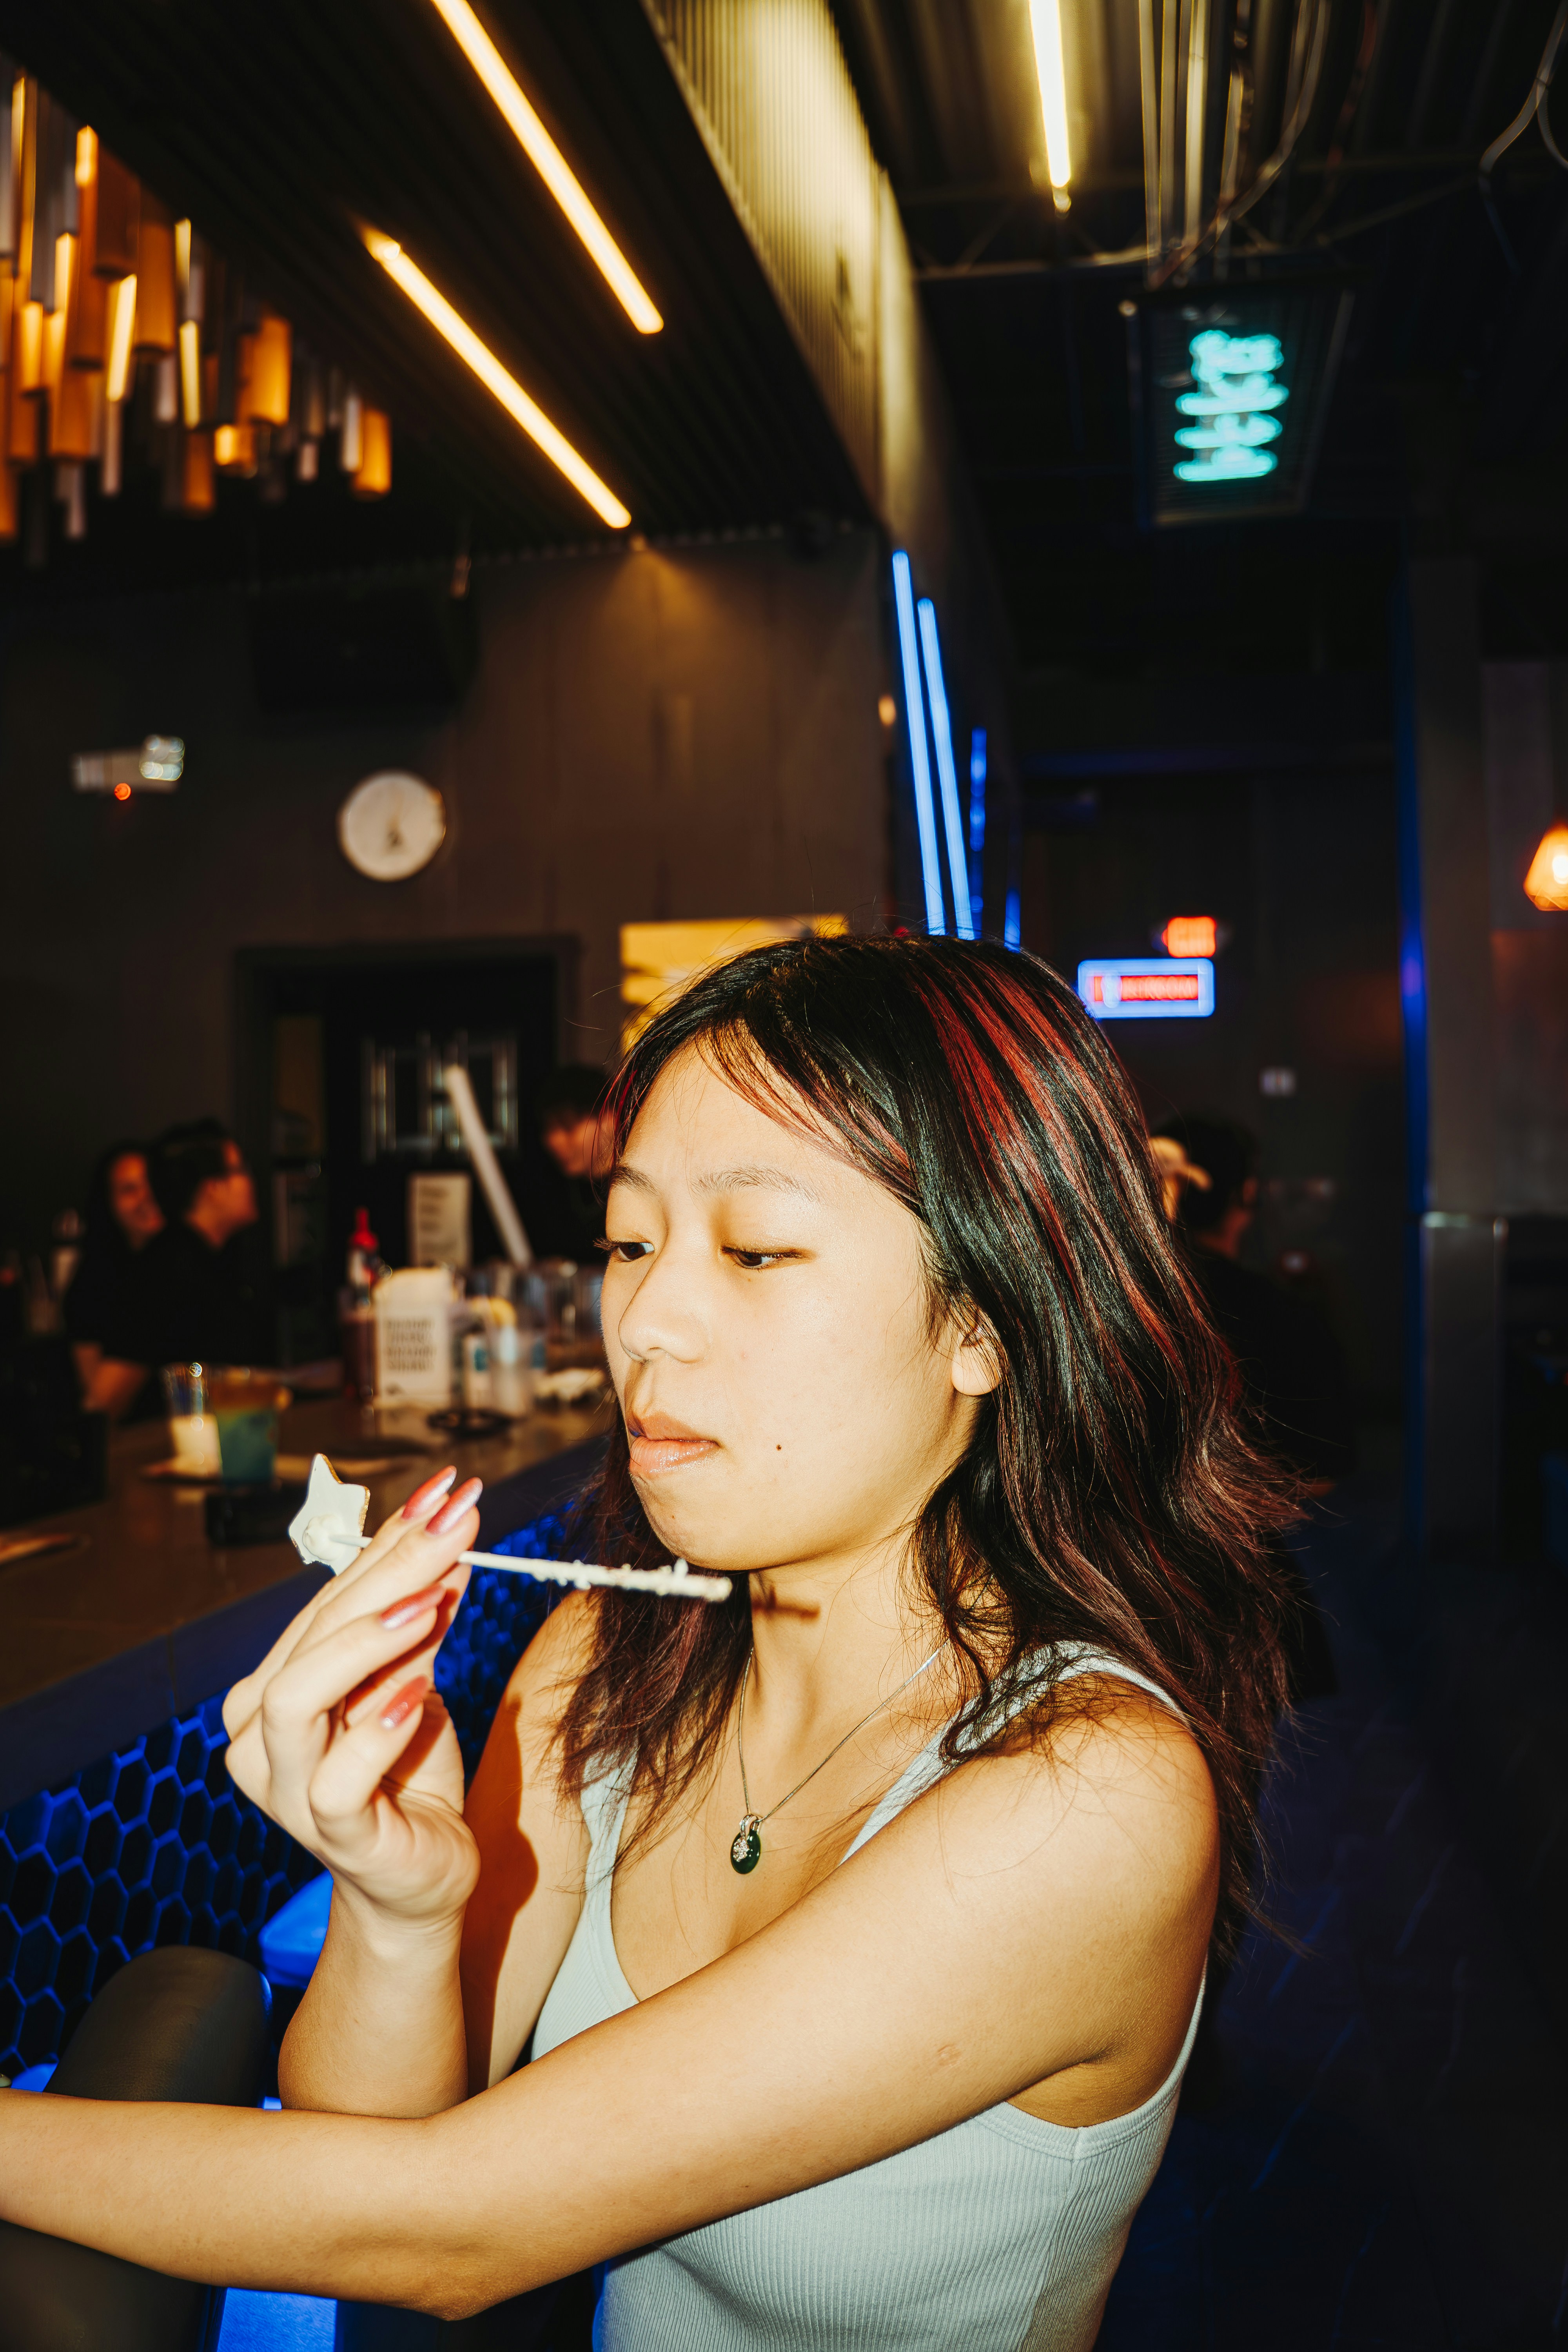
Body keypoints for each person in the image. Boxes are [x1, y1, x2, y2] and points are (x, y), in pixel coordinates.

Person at [0, 939, 1296, 2348]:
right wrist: (398, 1904)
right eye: (628, 1240)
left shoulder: (1085, 1795)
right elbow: (370, 2153)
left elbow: (447, 2226)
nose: (645, 1319)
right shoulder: (602, 1661)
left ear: (983, 1319)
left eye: (754, 1249)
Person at [85, 1120, 267, 1421]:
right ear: (213, 1188)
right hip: (176, 1457)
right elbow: (103, 1402)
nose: (251, 1180)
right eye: (241, 1170)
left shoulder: (210, 1259)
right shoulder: (167, 1269)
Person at [62, 1140, 164, 1396]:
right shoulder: (94, 1284)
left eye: (153, 1182)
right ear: (108, 1202)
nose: (147, 1196)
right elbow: (98, 1401)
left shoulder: (186, 1265)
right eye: (130, 1189)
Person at [537, 1063, 612, 1261]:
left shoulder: (633, 1189)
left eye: (568, 1127)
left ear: (609, 1118)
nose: (554, 1142)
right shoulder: (553, 1188)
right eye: (548, 1128)